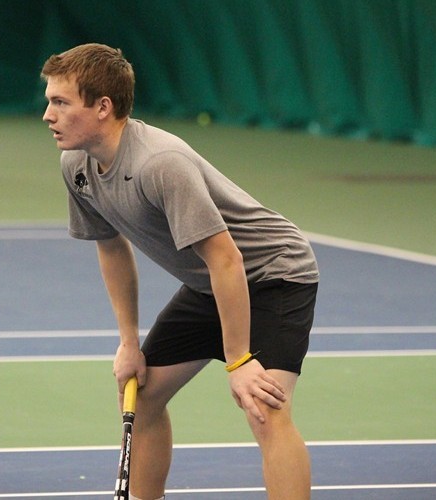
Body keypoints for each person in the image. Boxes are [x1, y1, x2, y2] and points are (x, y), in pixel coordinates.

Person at [40, 43, 319, 500]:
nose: (48, 115)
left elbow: (226, 258)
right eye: (49, 101)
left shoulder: (159, 164)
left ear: (103, 107)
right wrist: (129, 341)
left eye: (61, 102)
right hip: (210, 282)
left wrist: (240, 360)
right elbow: (111, 248)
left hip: (274, 274)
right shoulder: (77, 166)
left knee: (265, 408)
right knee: (142, 395)